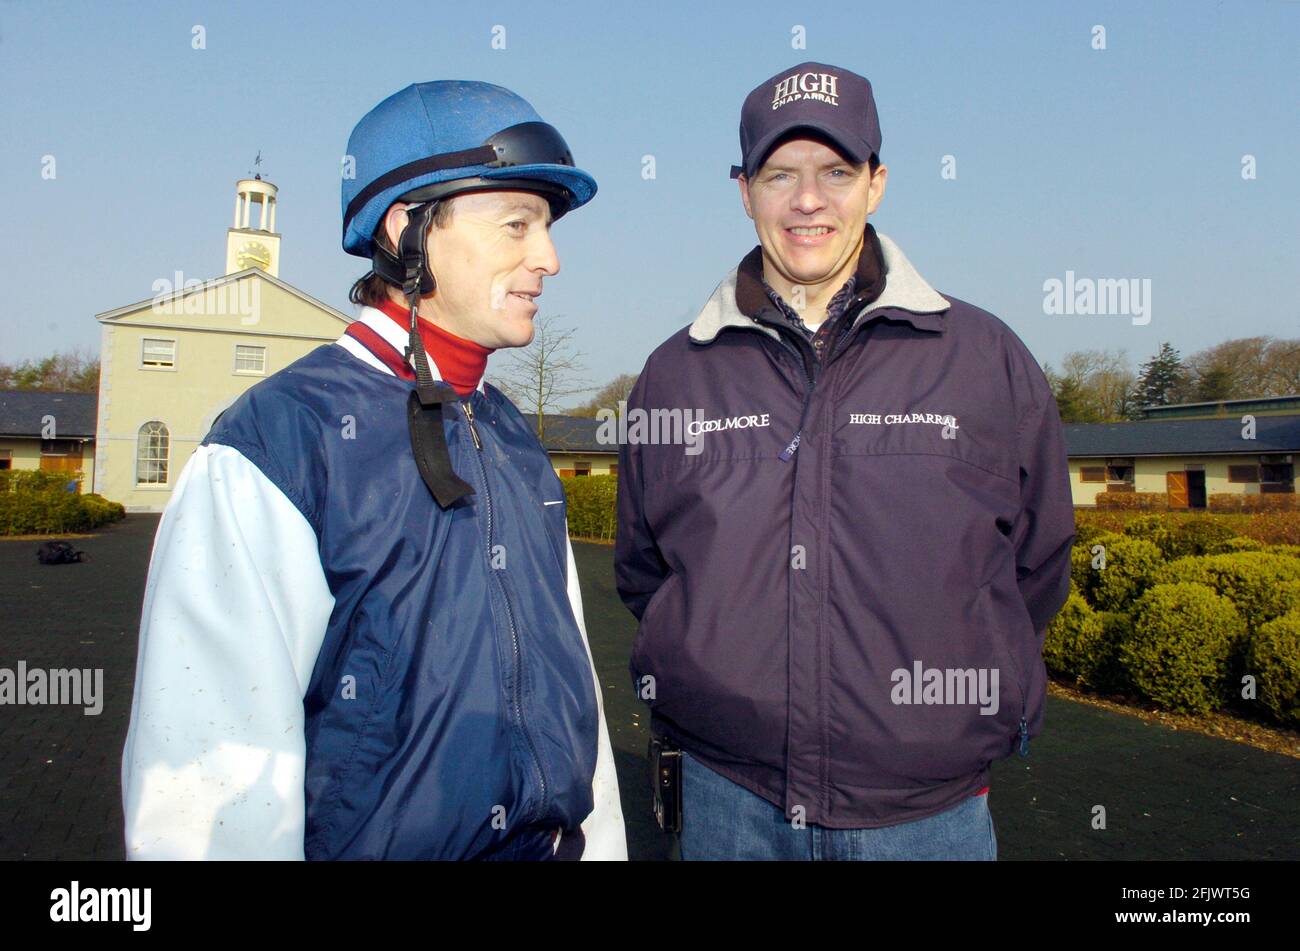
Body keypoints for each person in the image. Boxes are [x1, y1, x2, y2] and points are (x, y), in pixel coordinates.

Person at [121, 80, 626, 861]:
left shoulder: (518, 442)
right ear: (408, 229)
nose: (549, 259)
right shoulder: (278, 441)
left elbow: (576, 692)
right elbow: (207, 785)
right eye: (518, 225)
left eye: (549, 228)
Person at [615, 62, 1075, 860]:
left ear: (877, 183)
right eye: (779, 174)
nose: (807, 200)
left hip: (929, 818)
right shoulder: (675, 372)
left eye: (835, 171)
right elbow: (643, 568)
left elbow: (1035, 565)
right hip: (731, 804)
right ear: (744, 189)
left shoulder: (985, 359)